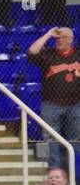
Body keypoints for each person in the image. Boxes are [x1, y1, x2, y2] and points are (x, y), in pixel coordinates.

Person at [26, 27, 80, 170]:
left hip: (75, 104)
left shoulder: (78, 54)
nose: (59, 40)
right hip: (51, 104)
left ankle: (74, 172)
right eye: (57, 38)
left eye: (63, 37)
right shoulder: (48, 55)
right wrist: (48, 34)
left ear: (71, 39)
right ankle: (54, 171)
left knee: (75, 139)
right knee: (50, 140)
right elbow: (32, 51)